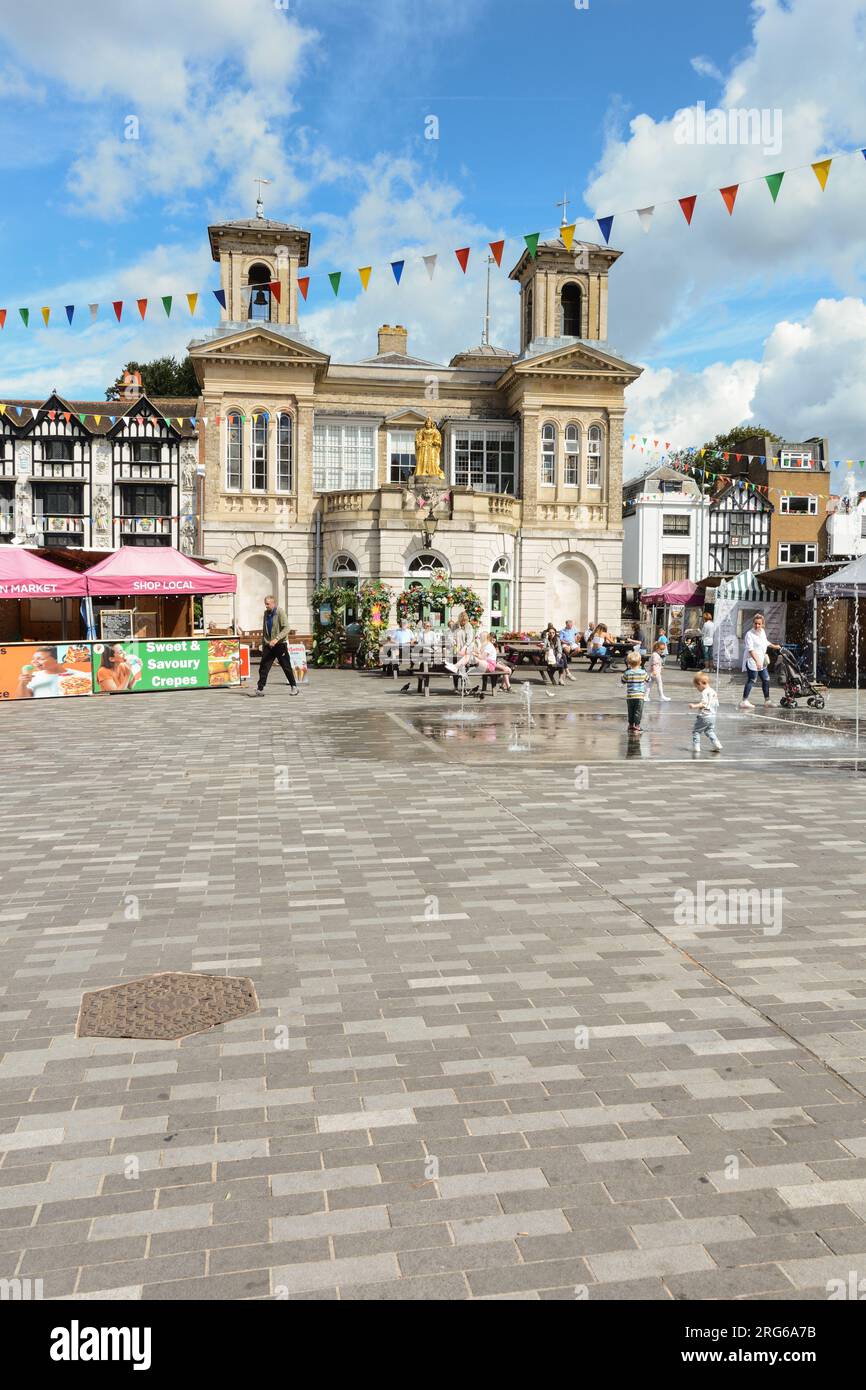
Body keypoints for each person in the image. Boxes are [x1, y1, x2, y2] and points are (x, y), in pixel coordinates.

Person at [250, 595, 298, 696]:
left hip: (280, 644)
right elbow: (264, 630)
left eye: (267, 604)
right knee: (263, 667)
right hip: (269, 645)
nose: (266, 606)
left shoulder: (280, 612)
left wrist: (276, 639)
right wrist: (264, 644)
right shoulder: (266, 613)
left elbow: (287, 628)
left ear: (273, 603)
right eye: (265, 604)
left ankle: (294, 686)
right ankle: (260, 689)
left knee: (286, 666)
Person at [740, 612, 781, 711]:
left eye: (759, 623)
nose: (757, 625)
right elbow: (750, 650)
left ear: (763, 624)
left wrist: (774, 646)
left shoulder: (762, 631)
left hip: (761, 660)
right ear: (753, 623)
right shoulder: (749, 634)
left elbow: (765, 642)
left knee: (766, 679)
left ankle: (767, 701)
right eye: (755, 623)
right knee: (752, 679)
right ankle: (744, 701)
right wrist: (757, 661)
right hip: (752, 660)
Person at [689, 672, 723, 754]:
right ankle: (717, 744)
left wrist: (694, 706)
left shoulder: (704, 692)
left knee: (696, 731)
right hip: (712, 716)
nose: (698, 689)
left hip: (704, 716)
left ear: (700, 683)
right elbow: (716, 704)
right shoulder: (714, 692)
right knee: (709, 731)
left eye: (697, 687)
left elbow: (704, 703)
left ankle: (696, 747)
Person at [620, 649, 650, 732]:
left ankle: (630, 724)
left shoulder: (627, 673)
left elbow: (623, 681)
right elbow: (648, 679)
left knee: (631, 711)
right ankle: (637, 725)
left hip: (630, 696)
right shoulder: (643, 672)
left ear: (629, 663)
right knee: (638, 711)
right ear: (640, 662)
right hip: (639, 696)